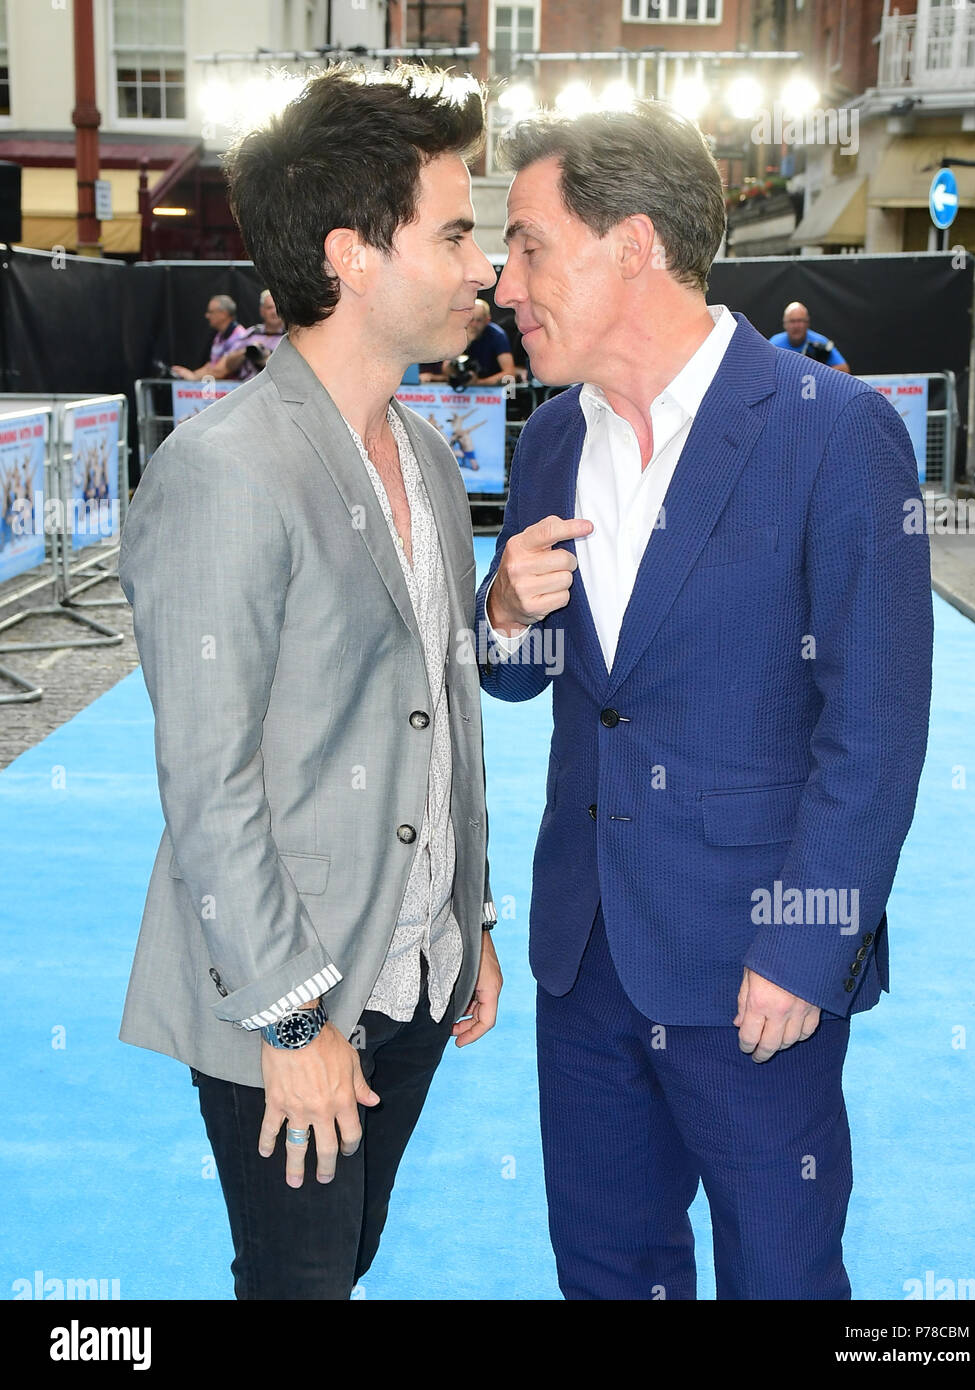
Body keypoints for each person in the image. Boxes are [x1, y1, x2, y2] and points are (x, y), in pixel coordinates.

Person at [474, 102, 933, 1300]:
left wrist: (807, 945)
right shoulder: (548, 442)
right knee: (608, 1273)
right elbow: (524, 685)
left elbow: (875, 730)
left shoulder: (837, 435)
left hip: (755, 970)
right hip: (584, 963)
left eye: (527, 245)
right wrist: (507, 618)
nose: (500, 279)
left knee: (781, 1277)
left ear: (632, 245)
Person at [118, 61, 503, 1302]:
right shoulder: (225, 470)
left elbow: (438, 717)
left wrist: (469, 920)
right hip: (288, 1001)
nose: (482, 264)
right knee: (297, 1286)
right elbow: (206, 782)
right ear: (352, 254)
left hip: (417, 981)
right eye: (453, 231)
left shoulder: (431, 458)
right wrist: (289, 1023)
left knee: (346, 1263)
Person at [421, 298, 523, 385]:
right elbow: (447, 370)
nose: (474, 325)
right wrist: (466, 342)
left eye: (479, 321)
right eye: (471, 320)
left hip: (489, 389)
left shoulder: (497, 335)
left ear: (487, 320)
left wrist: (479, 382)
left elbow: (510, 373)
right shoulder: (458, 332)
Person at [171, 294, 249, 380]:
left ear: (223, 314)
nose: (207, 316)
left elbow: (220, 371)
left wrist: (193, 377)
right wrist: (187, 374)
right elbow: (212, 365)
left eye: (211, 312)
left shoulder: (240, 336)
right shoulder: (219, 336)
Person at [221, 288, 288, 380]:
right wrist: (248, 351)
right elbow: (228, 365)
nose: (274, 312)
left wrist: (268, 359)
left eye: (277, 307)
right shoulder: (251, 333)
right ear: (262, 311)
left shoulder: (291, 337)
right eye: (269, 307)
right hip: (247, 385)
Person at [769, 300, 850, 373]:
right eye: (792, 321)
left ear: (807, 323)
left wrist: (818, 373)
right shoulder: (774, 344)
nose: (796, 326)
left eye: (800, 321)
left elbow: (844, 369)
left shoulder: (820, 342)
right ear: (784, 324)